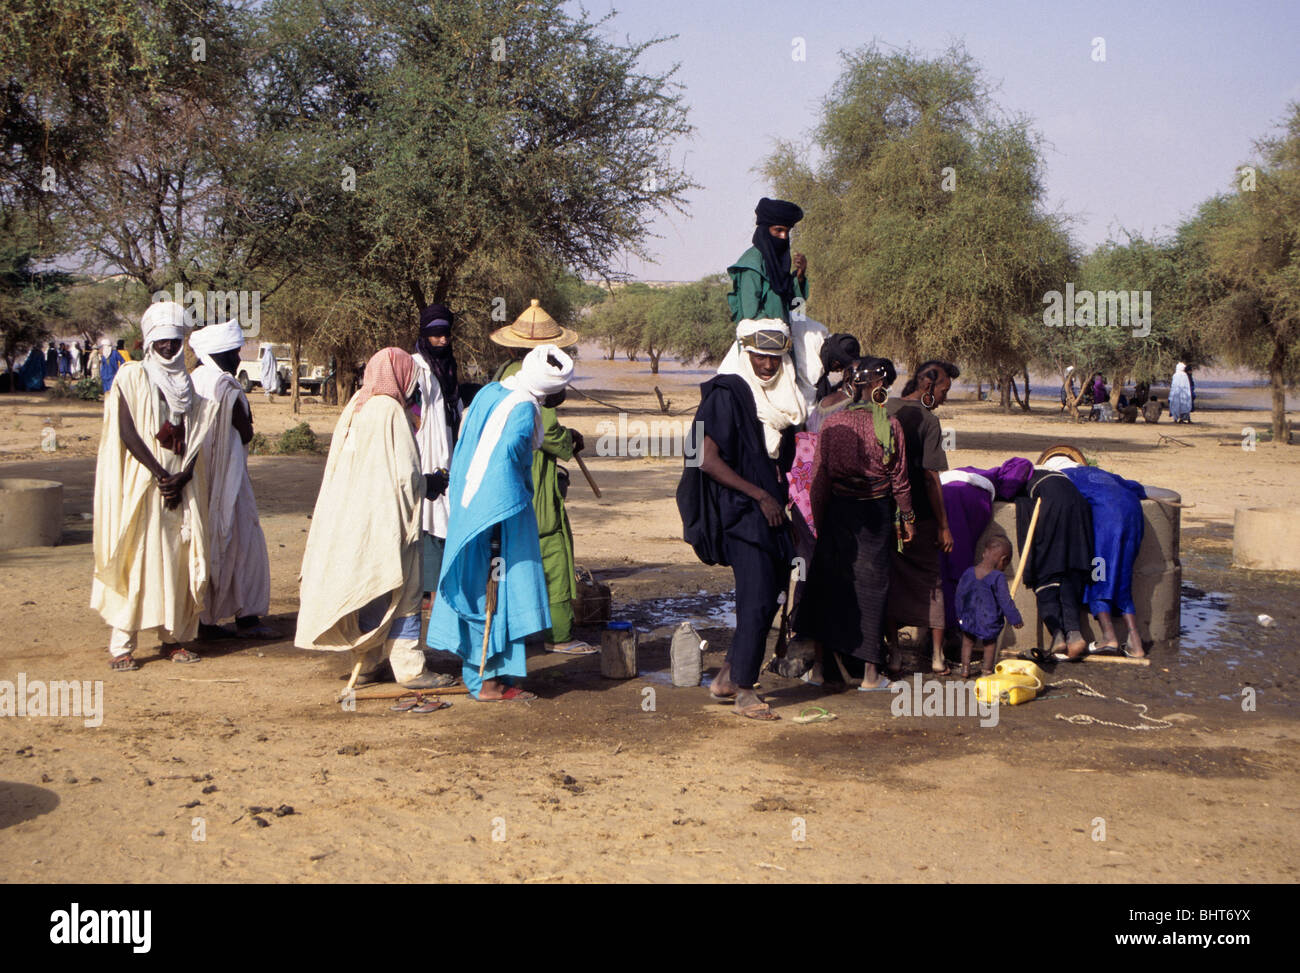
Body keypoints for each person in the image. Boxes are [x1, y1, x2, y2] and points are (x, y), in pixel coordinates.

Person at [295, 348, 451, 692]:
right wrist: (431, 483)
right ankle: (409, 668)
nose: (415, 388)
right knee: (405, 589)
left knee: (372, 588)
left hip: (356, 519)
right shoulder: (390, 411)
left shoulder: (357, 406)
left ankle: (366, 663)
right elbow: (406, 478)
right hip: (387, 518)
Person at [428, 344, 575, 700]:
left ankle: (485, 674)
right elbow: (508, 455)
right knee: (495, 589)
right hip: (497, 515)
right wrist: (503, 505)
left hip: (467, 505)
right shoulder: (524, 409)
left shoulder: (492, 390)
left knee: (482, 585)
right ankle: (488, 682)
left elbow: (468, 438)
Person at [677, 319, 807, 720]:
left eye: (774, 358)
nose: (767, 365)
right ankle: (746, 692)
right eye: (759, 356)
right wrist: (761, 495)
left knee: (768, 595)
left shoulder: (782, 401)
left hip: (766, 509)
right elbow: (704, 457)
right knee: (755, 599)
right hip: (741, 509)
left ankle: (727, 678)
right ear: (744, 354)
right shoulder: (726, 393)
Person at [91, 301, 220, 670]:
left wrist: (183, 476)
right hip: (144, 485)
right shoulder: (131, 377)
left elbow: (195, 438)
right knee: (137, 558)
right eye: (161, 341)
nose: (168, 347)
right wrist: (160, 474)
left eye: (174, 341)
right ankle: (122, 645)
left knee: (178, 561)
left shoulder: (188, 386)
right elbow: (127, 431)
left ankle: (173, 639)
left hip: (180, 487)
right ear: (149, 342)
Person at [798, 357, 913, 691]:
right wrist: (908, 518)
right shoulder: (891, 426)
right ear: (880, 387)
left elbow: (818, 481)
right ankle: (870, 676)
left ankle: (819, 670)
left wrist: (820, 523)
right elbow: (900, 481)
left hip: (838, 515)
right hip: (874, 516)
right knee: (872, 590)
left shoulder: (833, 425)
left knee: (827, 586)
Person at [489, 300, 591, 653]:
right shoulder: (531, 377)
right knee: (552, 554)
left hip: (508, 479)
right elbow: (547, 432)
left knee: (511, 557)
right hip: (533, 482)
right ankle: (559, 635)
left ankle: (513, 631)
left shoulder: (504, 371)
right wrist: (569, 439)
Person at [189, 318, 275, 641]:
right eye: (233, 354)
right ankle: (247, 618)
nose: (238, 359)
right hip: (230, 481)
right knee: (245, 543)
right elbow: (246, 429)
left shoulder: (194, 379)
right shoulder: (225, 385)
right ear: (219, 354)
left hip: (200, 481)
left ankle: (204, 620)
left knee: (207, 544)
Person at [886, 360, 959, 675]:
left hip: (886, 513)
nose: (944, 397)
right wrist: (944, 525)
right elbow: (931, 477)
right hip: (920, 517)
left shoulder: (885, 408)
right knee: (932, 581)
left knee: (890, 580)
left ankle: (894, 654)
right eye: (944, 389)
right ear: (929, 385)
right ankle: (937, 657)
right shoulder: (929, 421)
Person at [1044, 454, 1148, 658]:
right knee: (1122, 577)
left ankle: (1108, 638)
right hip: (1134, 517)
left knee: (1098, 574)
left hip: (1107, 524)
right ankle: (1136, 643)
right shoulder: (1102, 473)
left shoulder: (1063, 476)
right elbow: (1138, 489)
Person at [939, 457, 1035, 633]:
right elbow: (1022, 467)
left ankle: (942, 631)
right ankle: (955, 628)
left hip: (942, 494)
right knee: (960, 562)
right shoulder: (996, 476)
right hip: (969, 498)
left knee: (942, 564)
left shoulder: (970, 470)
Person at [1013, 460, 1094, 660]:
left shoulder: (1025, 474)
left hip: (1051, 510)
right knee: (1068, 572)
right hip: (1079, 513)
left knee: (1045, 571)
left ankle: (1057, 633)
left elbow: (1007, 488)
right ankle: (1074, 634)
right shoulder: (1066, 478)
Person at [411, 303, 463, 611]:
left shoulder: (449, 365)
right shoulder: (416, 366)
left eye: (445, 335)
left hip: (447, 444)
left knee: (444, 509)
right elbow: (413, 407)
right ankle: (426, 591)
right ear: (425, 335)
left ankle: (438, 587)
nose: (442, 341)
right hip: (425, 447)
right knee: (428, 513)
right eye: (435, 336)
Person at [954, 535, 1024, 677]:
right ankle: (986, 671)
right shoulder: (998, 577)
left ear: (984, 552)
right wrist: (1014, 618)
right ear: (1003, 560)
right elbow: (1005, 601)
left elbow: (959, 595)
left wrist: (959, 614)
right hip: (988, 619)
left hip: (969, 616)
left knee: (967, 642)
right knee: (989, 644)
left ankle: (965, 669)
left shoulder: (968, 572)